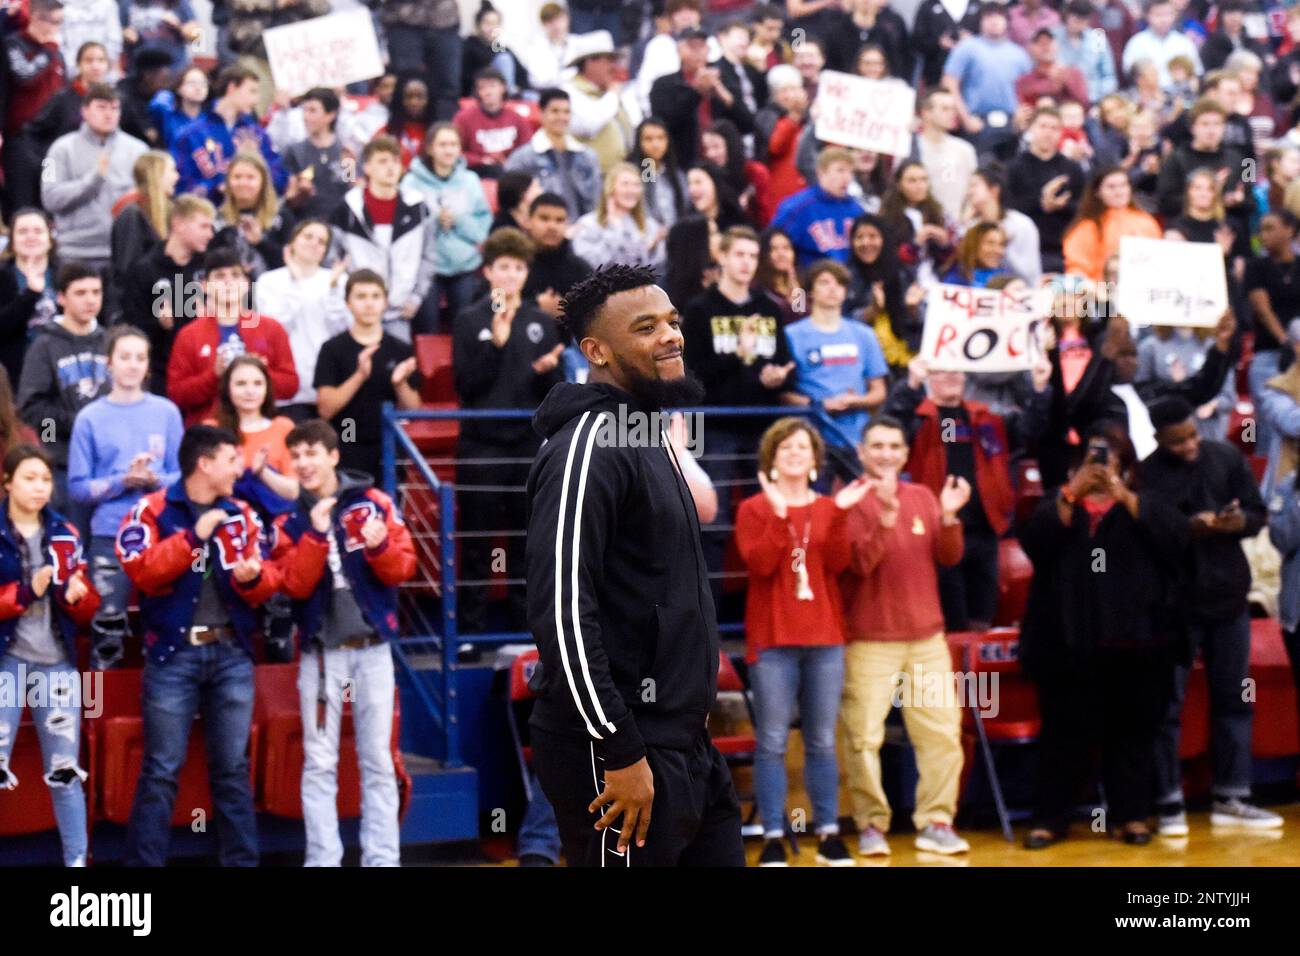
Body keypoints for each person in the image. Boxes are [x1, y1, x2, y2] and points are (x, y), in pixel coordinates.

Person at [525, 263, 744, 867]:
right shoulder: (587, 446)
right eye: (646, 328)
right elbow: (563, 615)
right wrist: (617, 748)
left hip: (685, 742)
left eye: (672, 322)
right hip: (619, 752)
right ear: (596, 350)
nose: (671, 335)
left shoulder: (647, 434)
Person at [116, 423, 281, 866]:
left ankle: (242, 864)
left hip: (231, 654)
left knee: (232, 770)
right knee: (162, 771)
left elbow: (270, 579)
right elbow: (144, 572)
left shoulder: (244, 514)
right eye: (231, 460)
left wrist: (255, 579)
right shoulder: (149, 512)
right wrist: (193, 538)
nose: (240, 468)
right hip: (174, 654)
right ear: (204, 464)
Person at [1017, 423, 1187, 847]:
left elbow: (1176, 544)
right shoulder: (1059, 503)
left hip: (1136, 642)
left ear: (1126, 464)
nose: (1099, 467)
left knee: (1132, 734)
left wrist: (1123, 495)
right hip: (1066, 643)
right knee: (1062, 734)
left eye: (1109, 458)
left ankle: (1131, 816)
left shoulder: (1146, 502)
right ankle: (1050, 819)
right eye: (1091, 459)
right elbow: (1035, 543)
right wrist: (1072, 492)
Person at [267, 418, 414, 867]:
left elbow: (403, 568)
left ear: (334, 456)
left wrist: (379, 547)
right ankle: (322, 861)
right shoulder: (288, 520)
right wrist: (314, 534)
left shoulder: (374, 503)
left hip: (372, 648)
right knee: (319, 763)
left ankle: (383, 860)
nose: (303, 463)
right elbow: (291, 584)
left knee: (378, 761)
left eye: (312, 453)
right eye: (296, 456)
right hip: (321, 654)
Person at [1139, 397, 1284, 835]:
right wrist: (1189, 529)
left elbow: (1258, 516)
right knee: (1167, 705)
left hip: (1228, 600)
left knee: (1235, 699)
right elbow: (1147, 535)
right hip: (1173, 605)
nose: (1188, 445)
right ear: (1159, 439)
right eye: (1177, 440)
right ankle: (1167, 802)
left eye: (1191, 435)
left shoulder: (1225, 456)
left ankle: (1233, 796)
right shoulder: (1147, 473)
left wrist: (1237, 522)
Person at [735, 418, 870, 866]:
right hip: (774, 640)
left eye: (802, 448)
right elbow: (761, 565)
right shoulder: (753, 507)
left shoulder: (831, 506)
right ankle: (774, 835)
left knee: (821, 741)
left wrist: (842, 514)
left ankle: (829, 832)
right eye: (785, 448)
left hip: (825, 637)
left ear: (815, 460)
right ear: (771, 459)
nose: (794, 454)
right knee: (772, 740)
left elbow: (838, 562)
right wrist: (777, 515)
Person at [839, 415, 973, 856]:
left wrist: (950, 517)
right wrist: (884, 520)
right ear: (861, 452)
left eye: (894, 446)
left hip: (927, 638)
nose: (886, 454)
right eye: (876, 446)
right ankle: (872, 825)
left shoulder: (923, 497)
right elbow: (856, 565)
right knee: (863, 738)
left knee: (943, 733)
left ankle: (937, 821)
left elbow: (949, 558)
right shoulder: (848, 500)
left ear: (904, 452)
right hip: (868, 640)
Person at [453, 229, 564, 636]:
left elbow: (553, 393)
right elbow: (465, 386)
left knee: (529, 542)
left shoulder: (539, 321)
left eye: (518, 267)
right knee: (478, 543)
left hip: (528, 445)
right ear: (487, 271)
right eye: (503, 267)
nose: (511, 275)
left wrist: (550, 373)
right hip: (481, 447)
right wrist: (494, 346)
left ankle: (525, 632)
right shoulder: (469, 319)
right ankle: (468, 633)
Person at [0, 443, 100, 866]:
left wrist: (79, 597)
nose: (41, 487)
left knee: (64, 772)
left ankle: (77, 864)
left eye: (45, 479)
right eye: (29, 478)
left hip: (55, 662)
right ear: (7, 483)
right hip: (7, 659)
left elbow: (88, 605)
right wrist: (27, 591)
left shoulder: (66, 532)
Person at [680, 226, 794, 588]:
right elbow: (693, 376)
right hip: (717, 426)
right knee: (714, 522)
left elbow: (786, 366)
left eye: (752, 256)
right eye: (739, 255)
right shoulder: (700, 309)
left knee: (771, 514)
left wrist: (777, 378)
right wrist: (738, 355)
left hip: (763, 424)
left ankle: (767, 610)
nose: (746, 263)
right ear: (723, 258)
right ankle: (709, 619)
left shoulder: (768, 309)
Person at [68, 325, 182, 670]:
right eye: (125, 357)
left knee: (162, 627)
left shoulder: (166, 412)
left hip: (161, 532)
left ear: (148, 366)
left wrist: (152, 481)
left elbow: (182, 477)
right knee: (109, 628)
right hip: (109, 534)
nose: (132, 365)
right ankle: (101, 715)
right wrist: (123, 481)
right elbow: (77, 486)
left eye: (140, 358)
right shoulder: (89, 418)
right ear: (109, 363)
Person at [885, 359, 1027, 633]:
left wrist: (1041, 387)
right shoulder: (918, 419)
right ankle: (953, 675)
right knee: (953, 622)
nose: (950, 374)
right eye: (941, 369)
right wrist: (911, 385)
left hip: (986, 531)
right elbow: (892, 426)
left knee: (983, 619)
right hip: (940, 533)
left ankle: (972, 676)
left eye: (956, 368)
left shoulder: (987, 417)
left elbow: (1031, 430)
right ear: (928, 376)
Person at [16, 263, 110, 523]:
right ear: (61, 298)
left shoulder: (110, 341)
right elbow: (31, 409)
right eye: (80, 293)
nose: (90, 300)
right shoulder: (44, 345)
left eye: (96, 292)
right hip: (63, 463)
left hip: (108, 463)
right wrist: (73, 426)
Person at [166, 249, 298, 427]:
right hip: (207, 433)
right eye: (220, 276)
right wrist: (213, 375)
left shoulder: (271, 328)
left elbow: (291, 385)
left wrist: (261, 372)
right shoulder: (189, 335)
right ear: (205, 285)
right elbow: (176, 394)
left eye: (236, 275)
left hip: (259, 429)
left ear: (247, 283)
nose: (228, 282)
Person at [314, 270, 423, 481]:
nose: (369, 304)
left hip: (388, 442)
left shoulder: (401, 349)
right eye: (361, 296)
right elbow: (325, 408)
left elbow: (413, 410)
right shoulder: (332, 349)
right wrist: (359, 375)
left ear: (385, 302)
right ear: (348, 303)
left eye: (375, 296)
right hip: (347, 438)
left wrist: (400, 384)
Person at [783, 260, 888, 476]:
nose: (833, 288)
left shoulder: (864, 335)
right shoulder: (791, 335)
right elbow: (783, 394)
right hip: (811, 438)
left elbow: (879, 391)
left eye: (839, 284)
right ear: (810, 291)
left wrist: (856, 401)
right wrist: (820, 404)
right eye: (824, 282)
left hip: (857, 439)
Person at [331, 136, 438, 343]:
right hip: (356, 313)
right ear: (367, 167)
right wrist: (347, 297)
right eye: (383, 161)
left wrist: (416, 296)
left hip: (399, 311)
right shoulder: (347, 208)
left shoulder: (418, 207)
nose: (391, 168)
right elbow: (333, 259)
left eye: (395, 161)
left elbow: (429, 256)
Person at [41, 84, 149, 276]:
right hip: (76, 253)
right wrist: (93, 180)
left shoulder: (138, 150)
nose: (109, 114)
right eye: (101, 107)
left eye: (114, 108)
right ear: (84, 111)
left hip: (126, 253)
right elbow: (49, 198)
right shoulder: (60, 149)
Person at [253, 220, 351, 423]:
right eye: (308, 236)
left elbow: (342, 330)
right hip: (286, 387)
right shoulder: (269, 281)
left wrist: (333, 289)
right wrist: (296, 285)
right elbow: (275, 329)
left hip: (328, 384)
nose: (314, 243)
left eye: (322, 241)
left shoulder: (337, 280)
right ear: (292, 243)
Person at [399, 124, 492, 336]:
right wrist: (434, 220)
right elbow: (405, 229)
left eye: (453, 144)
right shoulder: (411, 182)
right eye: (442, 144)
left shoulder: (470, 180)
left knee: (466, 327)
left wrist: (458, 220)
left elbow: (482, 229)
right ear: (430, 148)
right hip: (427, 269)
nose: (448, 150)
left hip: (464, 265)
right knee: (427, 329)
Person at [121, 194, 215, 391]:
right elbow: (132, 326)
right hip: (160, 371)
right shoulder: (145, 270)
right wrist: (159, 323)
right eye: (203, 226)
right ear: (179, 224)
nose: (210, 234)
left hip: (204, 368)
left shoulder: (209, 268)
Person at [171, 64, 286, 202]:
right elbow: (181, 186)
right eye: (252, 91)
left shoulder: (256, 134)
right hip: (210, 214)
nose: (256, 100)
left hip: (253, 214)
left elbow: (280, 180)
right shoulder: (191, 134)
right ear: (232, 88)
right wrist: (216, 188)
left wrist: (256, 161)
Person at [650, 26, 754, 168]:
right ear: (679, 51)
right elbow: (664, 124)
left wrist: (724, 95)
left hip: (722, 164)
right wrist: (696, 92)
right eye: (692, 46)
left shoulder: (723, 77)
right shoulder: (665, 84)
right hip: (682, 162)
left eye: (702, 46)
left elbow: (748, 125)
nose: (698, 51)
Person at [0, 0, 68, 217]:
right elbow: (25, 75)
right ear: (36, 18)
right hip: (21, 140)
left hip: (52, 143)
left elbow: (63, 92)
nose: (57, 28)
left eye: (61, 22)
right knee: (22, 200)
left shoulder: (57, 54)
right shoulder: (14, 44)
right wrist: (48, 51)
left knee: (49, 198)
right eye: (54, 21)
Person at [941, 4, 1033, 159]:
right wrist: (965, 118)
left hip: (1012, 122)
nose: (994, 21)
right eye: (989, 17)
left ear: (1006, 21)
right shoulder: (967, 48)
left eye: (999, 16)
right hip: (978, 121)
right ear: (981, 21)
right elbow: (949, 83)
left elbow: (1030, 89)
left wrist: (1024, 117)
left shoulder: (1019, 54)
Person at [1007, 107, 1088, 274]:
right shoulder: (1013, 167)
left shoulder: (1073, 169)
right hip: (1021, 249)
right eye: (1043, 126)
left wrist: (1061, 205)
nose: (1048, 133)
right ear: (1031, 129)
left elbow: (1084, 208)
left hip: (1062, 249)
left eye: (1054, 128)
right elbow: (1007, 208)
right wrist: (1041, 202)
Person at [505, 88, 603, 221]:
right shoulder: (522, 159)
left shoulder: (587, 157)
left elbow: (596, 200)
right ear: (541, 113)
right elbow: (512, 203)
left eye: (566, 112)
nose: (561, 117)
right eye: (555, 111)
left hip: (584, 230)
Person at [844, 213, 923, 372]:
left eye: (873, 236)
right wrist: (872, 310)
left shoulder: (903, 272)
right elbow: (838, 321)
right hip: (860, 360)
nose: (866, 243)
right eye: (859, 237)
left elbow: (919, 322)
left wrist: (913, 308)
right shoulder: (844, 275)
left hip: (903, 361)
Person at [1063, 165, 1163, 281]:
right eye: (1111, 187)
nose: (1119, 192)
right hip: (1101, 293)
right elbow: (1076, 269)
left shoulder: (1147, 222)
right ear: (1098, 192)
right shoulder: (1087, 228)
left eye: (1123, 185)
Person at [770, 147, 864, 269]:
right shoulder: (797, 207)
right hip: (809, 279)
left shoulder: (856, 210)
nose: (847, 178)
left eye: (851, 172)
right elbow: (772, 244)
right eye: (840, 170)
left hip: (847, 280)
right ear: (821, 173)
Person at [209, 151, 296, 279]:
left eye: (250, 177)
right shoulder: (217, 219)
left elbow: (292, 261)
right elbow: (208, 263)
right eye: (237, 177)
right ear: (228, 182)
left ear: (263, 182)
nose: (243, 183)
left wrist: (260, 242)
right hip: (229, 292)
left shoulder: (282, 217)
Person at [0, 209, 60, 387]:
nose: (30, 237)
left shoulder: (66, 273)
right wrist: (30, 294)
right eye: (23, 232)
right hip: (15, 371)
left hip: (61, 365)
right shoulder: (2, 277)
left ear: (50, 238)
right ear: (12, 241)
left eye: (38, 231)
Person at [571, 162, 667, 271]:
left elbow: (658, 269)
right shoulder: (588, 224)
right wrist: (614, 229)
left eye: (636, 185)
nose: (631, 190)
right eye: (625, 184)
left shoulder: (649, 225)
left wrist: (652, 248)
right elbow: (588, 265)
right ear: (611, 188)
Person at [379, 0, 462, 122]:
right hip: (403, 20)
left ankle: (443, 133)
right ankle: (403, 136)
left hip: (445, 20)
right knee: (406, 86)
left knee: (447, 89)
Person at [110, 150, 178, 300]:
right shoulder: (132, 213)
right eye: (172, 171)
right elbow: (126, 268)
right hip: (137, 301)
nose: (176, 177)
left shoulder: (169, 210)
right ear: (157, 174)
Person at [878, 160, 956, 287]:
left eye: (923, 179)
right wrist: (915, 244)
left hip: (935, 281)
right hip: (903, 284)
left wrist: (945, 244)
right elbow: (889, 260)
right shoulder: (887, 217)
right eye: (912, 181)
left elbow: (948, 260)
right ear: (899, 184)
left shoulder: (938, 214)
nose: (919, 186)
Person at [279, 88, 352, 224]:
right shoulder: (294, 151)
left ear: (331, 115)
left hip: (340, 226)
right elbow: (289, 202)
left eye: (312, 110)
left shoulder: (345, 152)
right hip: (304, 224)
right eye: (304, 110)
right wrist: (301, 194)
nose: (306, 117)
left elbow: (351, 191)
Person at [963, 165, 1043, 286]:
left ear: (994, 190)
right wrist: (963, 226)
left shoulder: (1021, 225)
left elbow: (1032, 276)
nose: (969, 192)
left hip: (1019, 293)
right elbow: (963, 268)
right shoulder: (971, 225)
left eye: (974, 185)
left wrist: (1006, 249)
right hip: (976, 293)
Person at [521, 193, 595, 323]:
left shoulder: (580, 269)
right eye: (544, 218)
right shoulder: (511, 263)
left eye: (559, 220)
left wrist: (566, 312)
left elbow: (598, 313)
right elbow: (493, 307)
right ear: (528, 221)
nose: (552, 226)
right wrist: (534, 305)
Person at [453, 67, 537, 179]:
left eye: (492, 86)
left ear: (503, 88)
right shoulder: (463, 118)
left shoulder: (516, 118)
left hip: (511, 170)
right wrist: (480, 160)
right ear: (478, 92)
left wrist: (510, 161)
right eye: (482, 88)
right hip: (476, 171)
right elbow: (454, 149)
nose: (488, 92)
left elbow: (527, 149)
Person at [913, 90, 978, 225]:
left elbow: (974, 189)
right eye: (945, 109)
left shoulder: (964, 150)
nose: (952, 114)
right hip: (923, 224)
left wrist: (964, 220)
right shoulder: (911, 148)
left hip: (958, 225)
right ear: (926, 112)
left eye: (953, 109)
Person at [1121, 0, 1201, 90]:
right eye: (1158, 15)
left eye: (1168, 14)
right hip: (1148, 95)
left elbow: (1196, 72)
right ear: (1147, 15)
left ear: (1175, 15)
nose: (1164, 20)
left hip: (1180, 95)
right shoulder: (1136, 43)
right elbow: (1129, 73)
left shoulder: (1184, 42)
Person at [628, 117, 688, 231]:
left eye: (661, 138)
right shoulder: (639, 170)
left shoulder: (675, 173)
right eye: (648, 139)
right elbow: (648, 206)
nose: (656, 144)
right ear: (639, 142)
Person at [1055, 0, 1119, 105]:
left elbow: (1108, 75)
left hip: (1094, 98)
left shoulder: (1097, 37)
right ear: (1067, 15)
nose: (1079, 24)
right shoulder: (1053, 36)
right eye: (1076, 19)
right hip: (1063, 100)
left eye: (1084, 20)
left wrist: (1102, 99)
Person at [148, 64, 207, 150]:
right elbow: (156, 107)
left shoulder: (210, 120)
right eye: (192, 83)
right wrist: (166, 95)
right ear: (179, 87)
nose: (198, 87)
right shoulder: (167, 114)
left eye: (203, 83)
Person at [942, 223, 1013, 287]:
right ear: (973, 245)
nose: (998, 250)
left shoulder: (1007, 278)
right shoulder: (954, 279)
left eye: (1001, 244)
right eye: (990, 243)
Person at [686, 161, 748, 232]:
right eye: (688, 184)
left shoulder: (737, 223)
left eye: (698, 182)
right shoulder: (688, 228)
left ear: (715, 184)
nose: (691, 189)